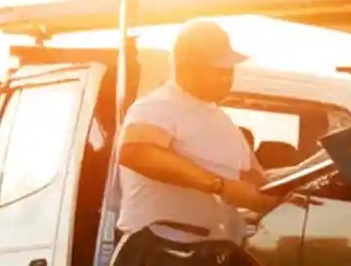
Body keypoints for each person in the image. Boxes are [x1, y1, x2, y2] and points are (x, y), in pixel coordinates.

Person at [111, 19, 279, 265]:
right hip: (160, 252)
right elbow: (136, 152)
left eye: (229, 70)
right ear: (186, 69)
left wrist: (309, 171)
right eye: (218, 70)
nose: (227, 78)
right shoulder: (158, 106)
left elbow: (254, 178)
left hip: (209, 253)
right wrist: (218, 186)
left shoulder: (222, 120)